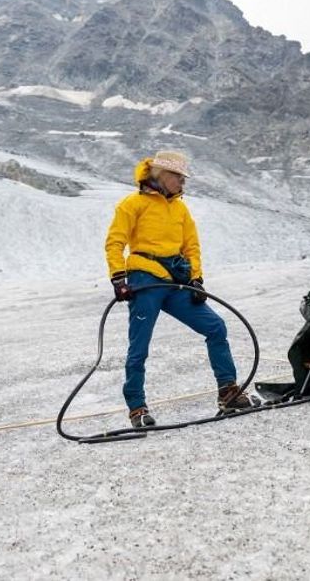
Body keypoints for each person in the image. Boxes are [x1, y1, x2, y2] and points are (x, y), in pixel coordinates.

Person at [104, 150, 256, 428]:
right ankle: (137, 408)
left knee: (215, 327)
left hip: (176, 282)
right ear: (162, 175)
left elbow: (191, 246)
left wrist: (196, 280)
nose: (183, 183)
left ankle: (228, 392)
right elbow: (115, 242)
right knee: (139, 347)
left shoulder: (180, 209)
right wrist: (119, 278)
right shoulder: (132, 204)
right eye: (178, 177)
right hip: (144, 280)